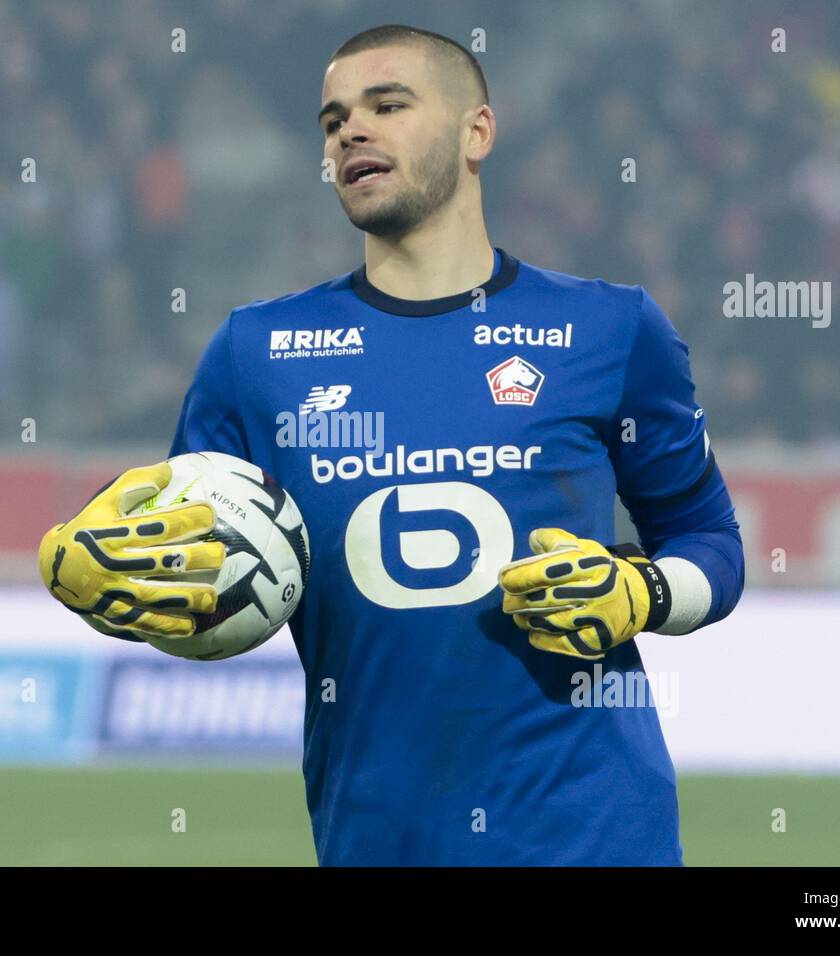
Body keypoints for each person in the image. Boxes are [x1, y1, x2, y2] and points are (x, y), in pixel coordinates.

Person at [41, 24, 744, 865]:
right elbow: (205, 581)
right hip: (377, 839)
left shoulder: (611, 328)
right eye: (333, 119)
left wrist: (644, 591)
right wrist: (112, 590)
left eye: (388, 105)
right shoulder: (254, 355)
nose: (351, 132)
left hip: (593, 837)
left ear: (477, 131)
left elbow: (712, 543)